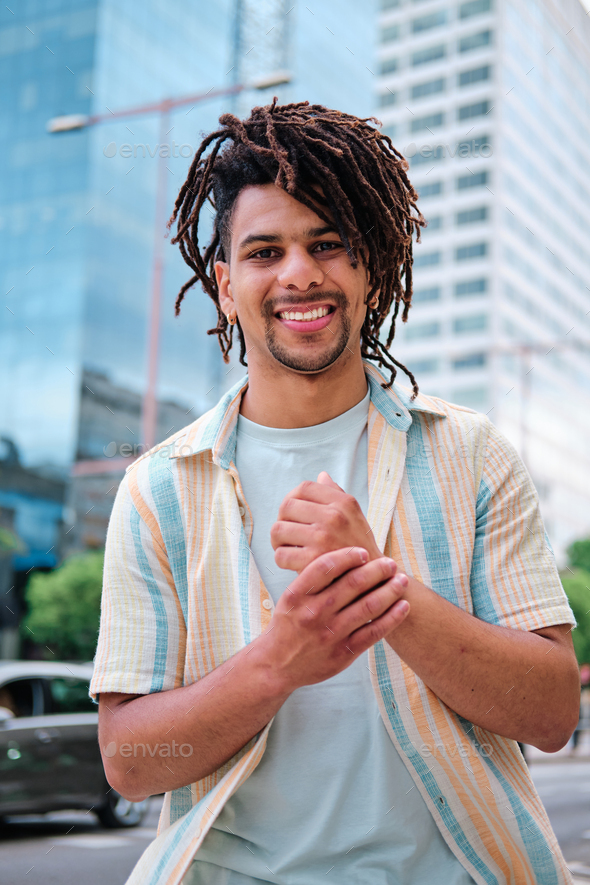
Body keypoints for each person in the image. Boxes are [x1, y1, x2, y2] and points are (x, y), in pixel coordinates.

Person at [90, 101, 580, 885]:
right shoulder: (156, 489)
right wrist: (281, 660)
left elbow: (554, 713)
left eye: (328, 244)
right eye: (264, 251)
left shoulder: (471, 452)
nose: (299, 273)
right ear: (225, 285)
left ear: (371, 267)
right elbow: (131, 762)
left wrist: (385, 588)